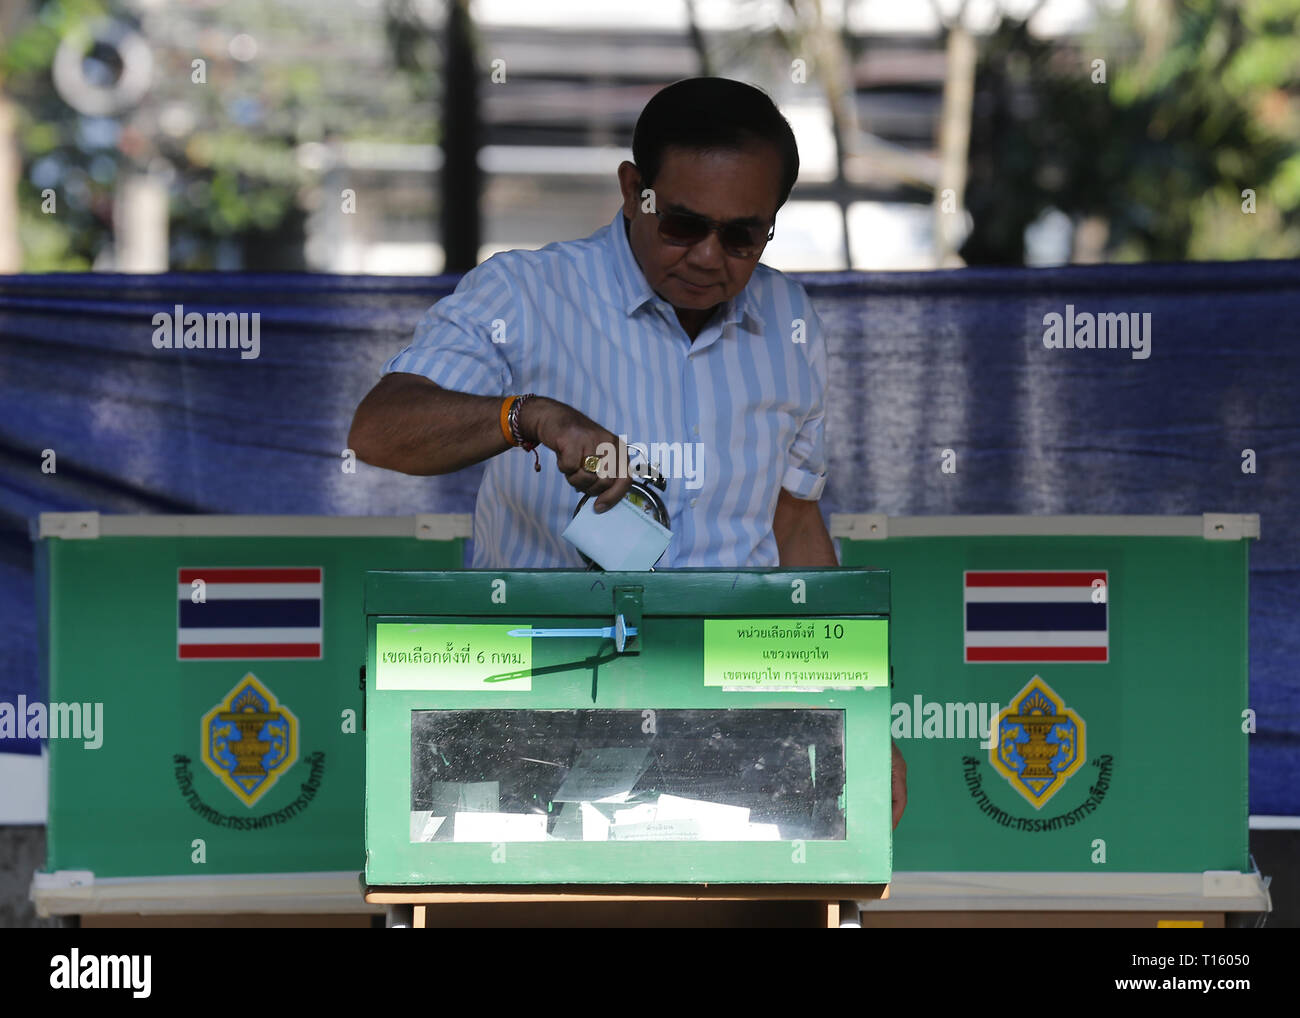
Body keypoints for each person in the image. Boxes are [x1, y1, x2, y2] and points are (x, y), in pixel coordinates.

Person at [348, 76, 906, 828]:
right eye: (681, 224)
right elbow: (378, 429)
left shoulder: (790, 321)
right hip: (532, 703)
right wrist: (528, 417)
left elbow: (794, 525)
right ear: (632, 189)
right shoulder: (523, 294)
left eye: (743, 235)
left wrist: (865, 720)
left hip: (729, 722)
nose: (709, 256)